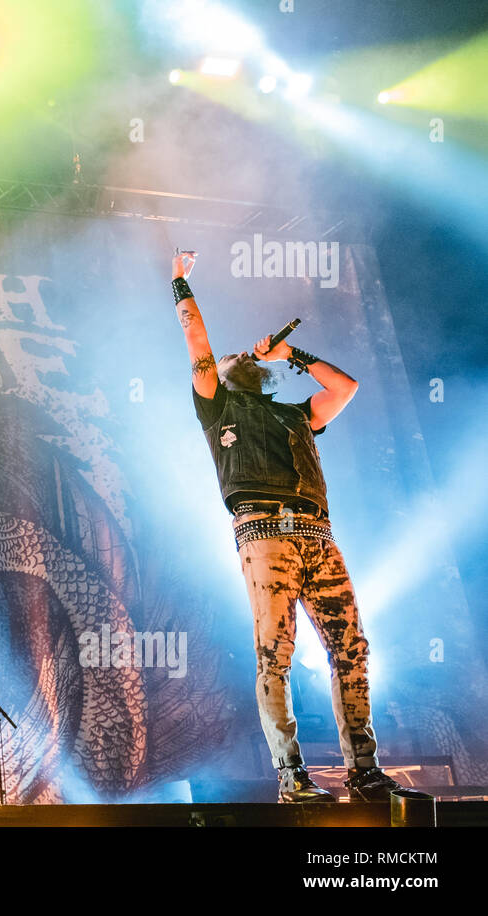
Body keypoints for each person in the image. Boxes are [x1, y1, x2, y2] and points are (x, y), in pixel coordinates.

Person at [170, 251, 417, 804]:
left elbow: (346, 387)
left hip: (317, 534)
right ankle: (291, 776)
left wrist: (293, 354)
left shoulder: (293, 413)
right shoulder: (217, 405)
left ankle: (364, 772)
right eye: (235, 355)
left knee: (352, 647)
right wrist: (180, 284)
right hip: (264, 531)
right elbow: (201, 350)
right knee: (275, 654)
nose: (239, 355)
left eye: (246, 354)